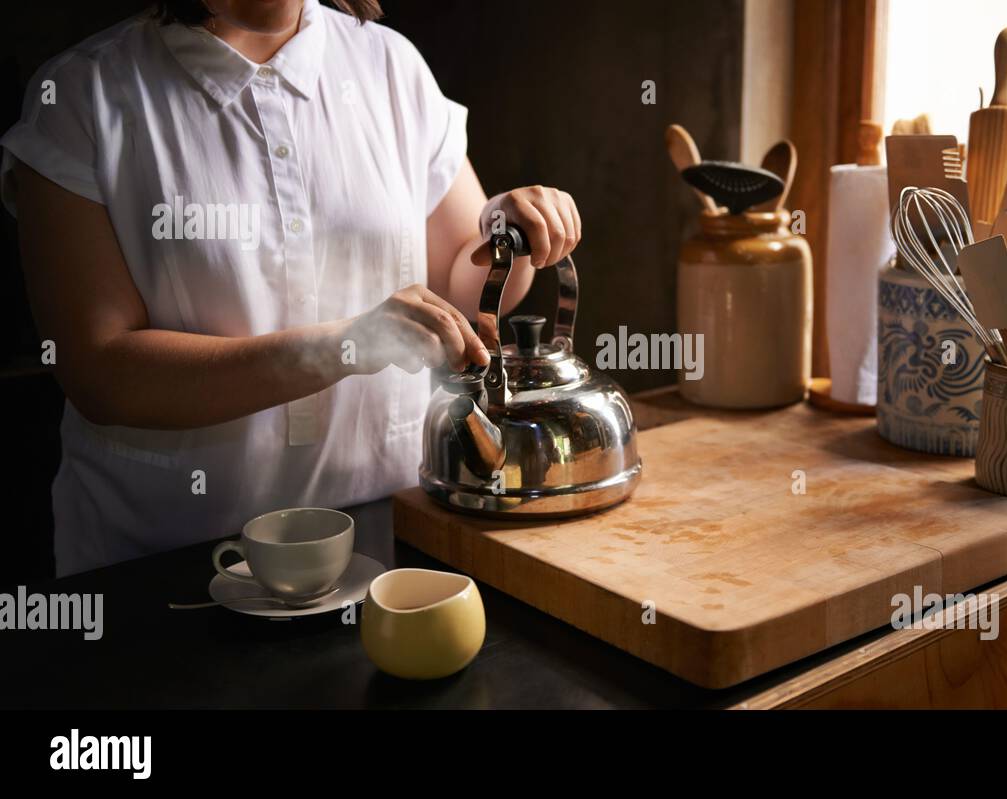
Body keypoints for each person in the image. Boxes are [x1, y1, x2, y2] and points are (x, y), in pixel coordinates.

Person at [0, 0, 581, 575]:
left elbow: (462, 289)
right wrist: (340, 347)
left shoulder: (389, 65)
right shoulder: (81, 93)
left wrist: (511, 235)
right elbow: (100, 373)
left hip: (393, 535)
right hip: (167, 563)